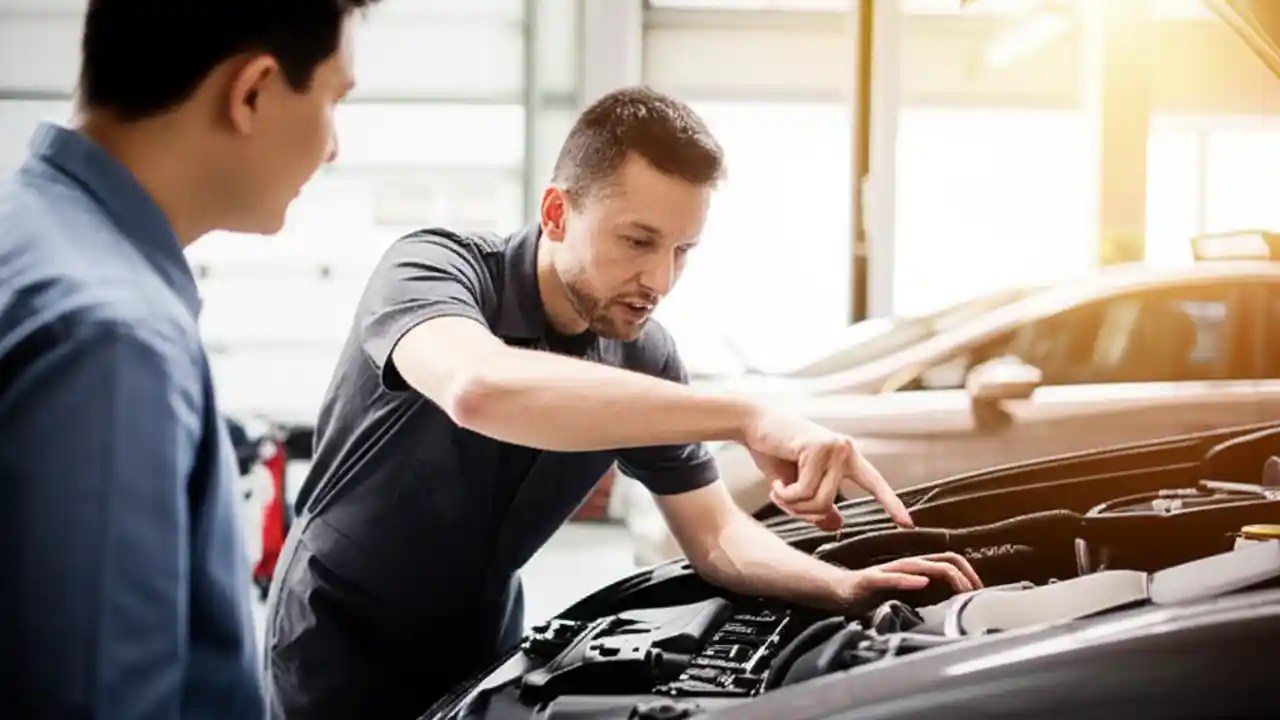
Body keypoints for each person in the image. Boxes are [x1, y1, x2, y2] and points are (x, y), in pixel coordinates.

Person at [264, 86, 982, 719]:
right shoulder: (434, 270)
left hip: (480, 637)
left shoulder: (644, 353)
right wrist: (746, 414)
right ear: (555, 211)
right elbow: (480, 388)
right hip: (342, 635)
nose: (660, 279)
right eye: (638, 241)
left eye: (682, 251)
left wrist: (842, 585)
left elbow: (716, 538)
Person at [0, 1, 380, 717]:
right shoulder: (113, 342)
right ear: (254, 91)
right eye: (333, 99)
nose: (332, 149)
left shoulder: (31, 231)